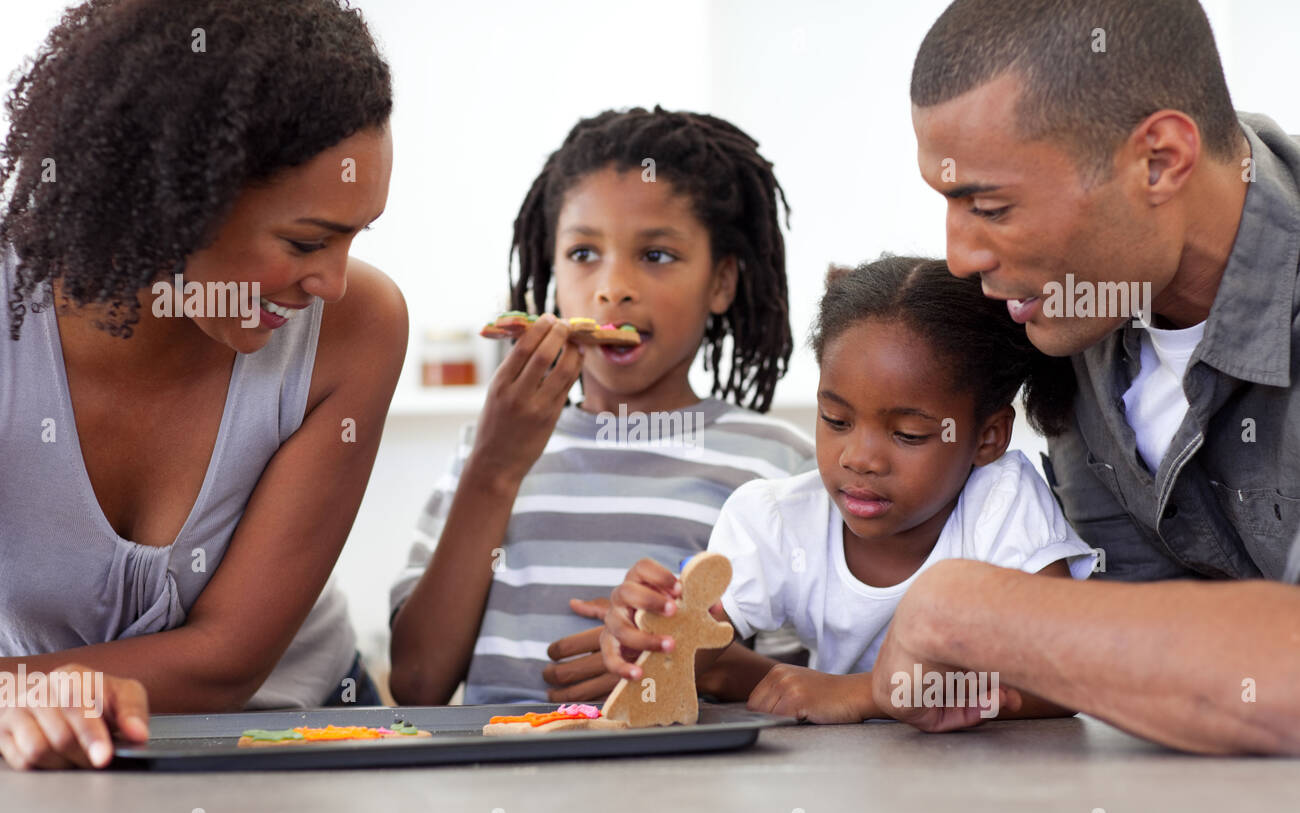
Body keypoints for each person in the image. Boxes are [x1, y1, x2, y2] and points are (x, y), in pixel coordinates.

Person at [878, 0, 1300, 752]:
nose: (960, 257)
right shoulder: (1082, 321)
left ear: (1160, 160)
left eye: (991, 205)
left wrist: (958, 608)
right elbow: (1135, 664)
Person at [0, 0, 407, 770]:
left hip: (298, 736)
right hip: (44, 754)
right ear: (167, 195)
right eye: (307, 240)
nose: (332, 280)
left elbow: (225, 662)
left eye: (356, 236)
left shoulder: (358, 330)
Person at [389, 107, 815, 707]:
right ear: (553, 271)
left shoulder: (778, 465)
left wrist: (680, 662)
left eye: (657, 255)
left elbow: (799, 682)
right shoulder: (484, 452)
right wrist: (495, 468)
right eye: (584, 254)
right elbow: (416, 683)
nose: (613, 287)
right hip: (501, 789)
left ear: (721, 283)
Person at [601, 256, 1094, 724]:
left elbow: (1059, 680)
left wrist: (867, 694)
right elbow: (695, 644)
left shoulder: (1001, 504)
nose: (859, 458)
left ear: (987, 437)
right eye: (836, 420)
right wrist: (655, 627)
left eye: (907, 434)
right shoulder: (778, 519)